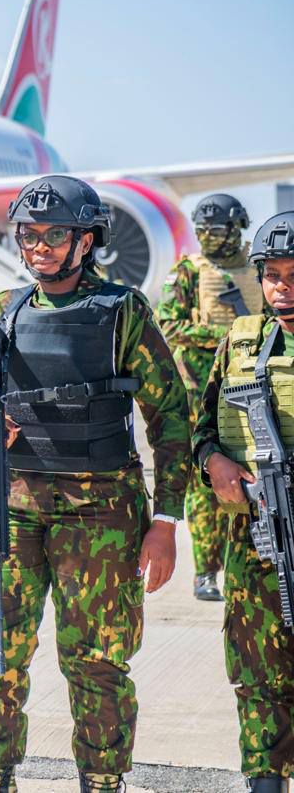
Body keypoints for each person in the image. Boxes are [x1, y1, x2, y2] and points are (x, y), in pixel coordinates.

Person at [0, 175, 189, 793]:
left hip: (100, 513)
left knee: (96, 662)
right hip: (8, 507)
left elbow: (171, 417)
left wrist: (165, 521)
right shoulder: (3, 310)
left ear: (87, 241)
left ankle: (101, 781)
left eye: (54, 235)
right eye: (29, 235)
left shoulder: (123, 312)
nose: (39, 247)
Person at [192, 210, 294, 792]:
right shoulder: (240, 339)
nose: (282, 287)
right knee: (257, 672)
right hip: (256, 537)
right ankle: (264, 780)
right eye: (272, 274)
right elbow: (201, 428)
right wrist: (214, 461)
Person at [157, 193, 262, 602]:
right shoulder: (189, 270)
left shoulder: (259, 268)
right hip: (201, 393)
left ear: (237, 228)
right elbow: (168, 323)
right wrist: (224, 335)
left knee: (256, 478)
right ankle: (206, 572)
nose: (209, 238)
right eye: (202, 231)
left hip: (252, 390)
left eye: (217, 230)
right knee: (204, 484)